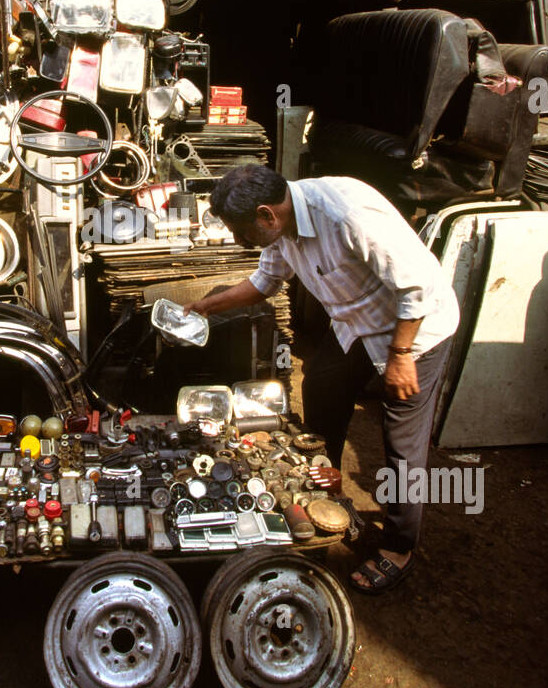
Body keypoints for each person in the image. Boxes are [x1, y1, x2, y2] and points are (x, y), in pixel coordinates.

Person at [185, 165, 460, 594]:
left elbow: (418, 288)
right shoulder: (281, 224)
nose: (240, 241)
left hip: (414, 330)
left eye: (242, 232)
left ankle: (399, 546)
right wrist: (208, 306)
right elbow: (265, 281)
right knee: (321, 390)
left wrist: (401, 355)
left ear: (266, 215)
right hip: (356, 324)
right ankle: (324, 493)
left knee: (402, 441)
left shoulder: (346, 214)